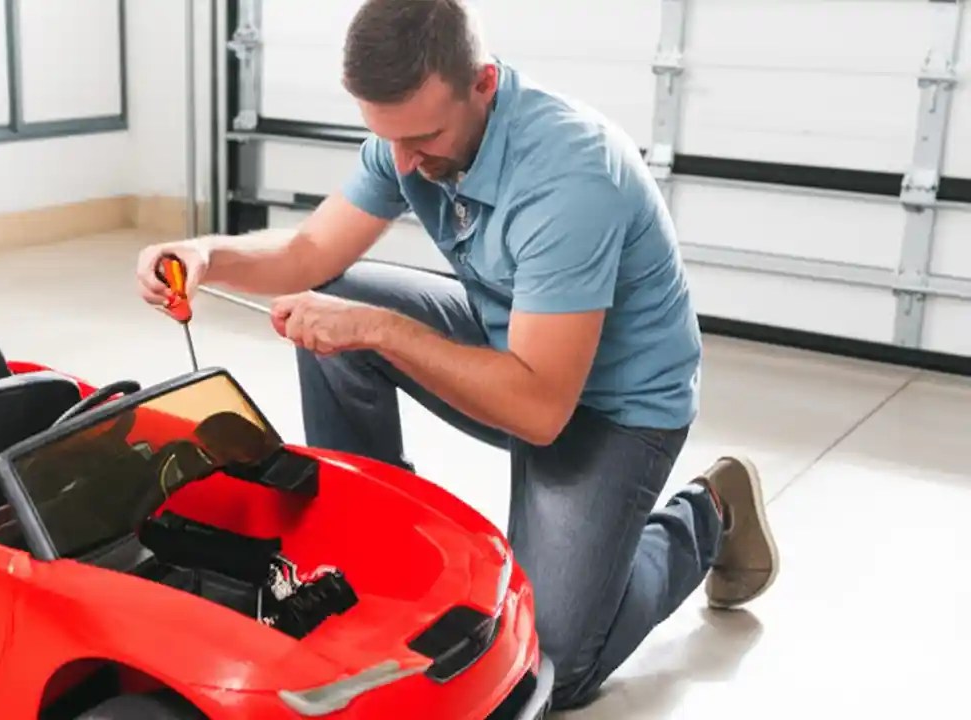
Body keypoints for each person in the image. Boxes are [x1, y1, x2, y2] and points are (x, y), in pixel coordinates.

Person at [136, 0, 778, 709]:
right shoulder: (409, 135)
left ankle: (710, 513)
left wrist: (379, 329)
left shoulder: (573, 178)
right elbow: (309, 251)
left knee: (548, 664)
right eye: (389, 138)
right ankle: (367, 549)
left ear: (485, 83)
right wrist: (204, 254)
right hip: (509, 342)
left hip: (613, 407)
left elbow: (538, 413)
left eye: (425, 137)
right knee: (331, 301)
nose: (406, 161)